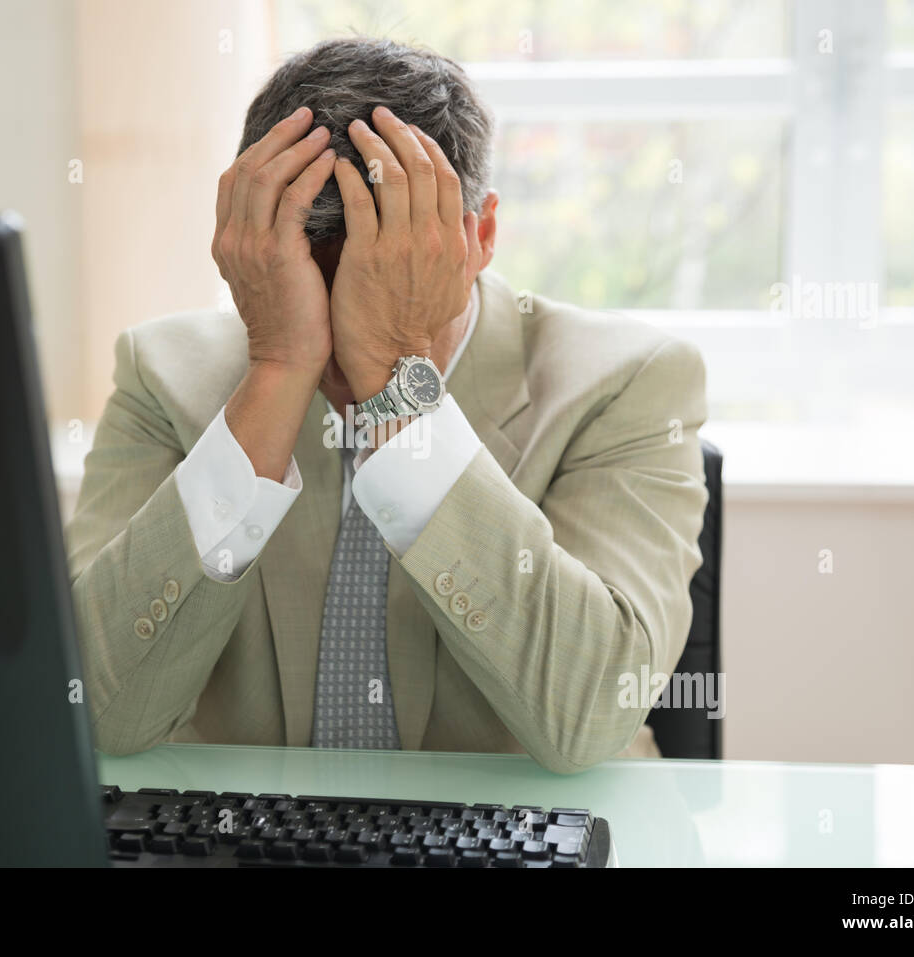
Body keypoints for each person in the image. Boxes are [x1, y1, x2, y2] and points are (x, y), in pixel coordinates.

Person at [64, 37, 708, 773]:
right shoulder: (161, 374)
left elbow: (588, 718)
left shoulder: (629, 383)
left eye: (383, 280)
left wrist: (398, 376)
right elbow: (99, 709)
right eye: (315, 292)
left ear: (481, 235)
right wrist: (277, 367)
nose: (342, 336)